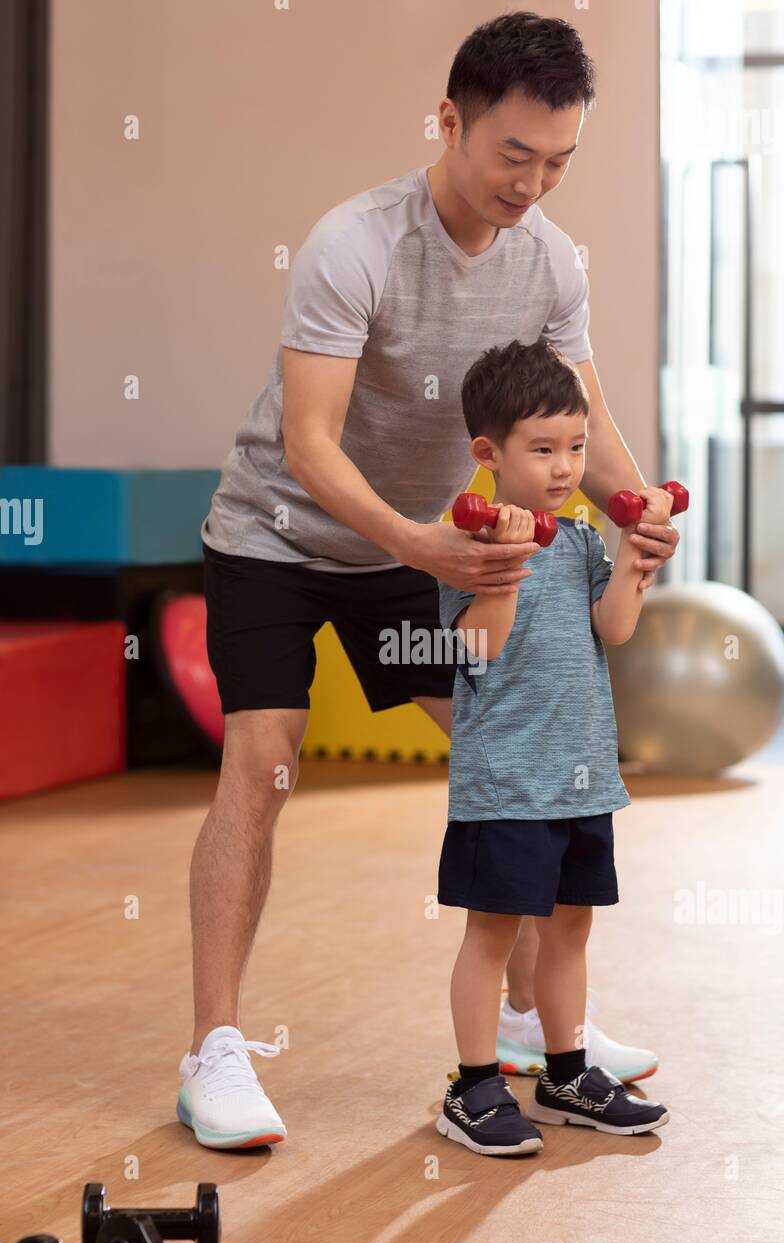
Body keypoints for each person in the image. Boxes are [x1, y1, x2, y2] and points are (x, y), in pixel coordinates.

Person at [178, 11, 680, 1150]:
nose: (533, 184)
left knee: (528, 750)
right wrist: (419, 547)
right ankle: (212, 1046)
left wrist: (635, 511)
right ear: (448, 121)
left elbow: (582, 425)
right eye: (513, 155)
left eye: (557, 162)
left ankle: (530, 1028)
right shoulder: (352, 244)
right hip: (284, 539)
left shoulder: (549, 259)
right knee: (264, 761)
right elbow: (310, 443)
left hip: (422, 550)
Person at [436, 337, 671, 1155]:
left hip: (582, 782)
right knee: (492, 936)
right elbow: (477, 651)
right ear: (488, 454)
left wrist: (635, 560)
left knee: (571, 930)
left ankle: (565, 1075)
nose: (568, 468)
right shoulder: (464, 547)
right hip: (507, 785)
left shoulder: (575, 542)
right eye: (544, 450)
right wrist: (502, 563)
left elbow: (613, 628)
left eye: (576, 447)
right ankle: (471, 1090)